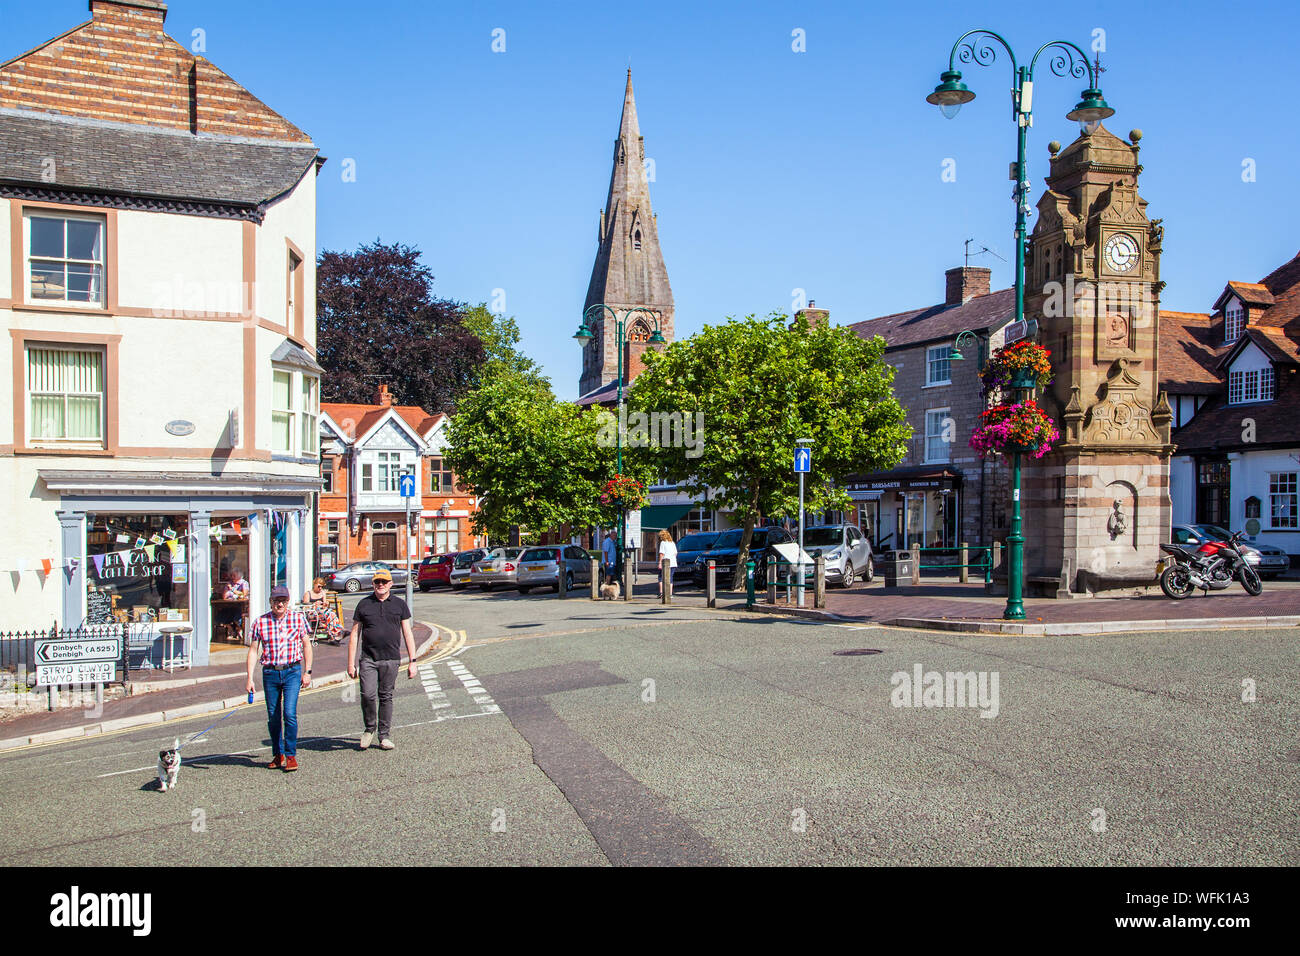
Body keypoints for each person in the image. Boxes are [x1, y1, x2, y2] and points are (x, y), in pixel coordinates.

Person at [346, 568, 417, 751]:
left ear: (390, 584)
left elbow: (407, 633)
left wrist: (413, 661)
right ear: (373, 584)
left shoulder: (399, 605)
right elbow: (354, 634)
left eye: (384, 582)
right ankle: (369, 728)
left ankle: (384, 736)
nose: (380, 585)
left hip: (391, 659)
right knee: (368, 695)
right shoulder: (364, 604)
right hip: (368, 658)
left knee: (386, 697)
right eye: (377, 582)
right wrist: (350, 663)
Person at [245, 585, 313, 772]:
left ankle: (291, 755)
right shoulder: (260, 622)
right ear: (270, 602)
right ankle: (278, 754)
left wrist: (307, 672)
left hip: (292, 671)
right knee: (273, 717)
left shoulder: (298, 619)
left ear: (288, 601)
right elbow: (253, 651)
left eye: (283, 600)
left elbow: (306, 645)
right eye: (276, 600)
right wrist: (250, 678)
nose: (280, 604)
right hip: (270, 673)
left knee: (289, 714)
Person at [302, 576, 343, 642]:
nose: (320, 588)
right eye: (319, 586)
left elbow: (325, 605)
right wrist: (315, 604)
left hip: (322, 612)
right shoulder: (308, 593)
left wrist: (325, 603)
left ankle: (334, 634)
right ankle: (336, 633)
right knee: (330, 615)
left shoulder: (322, 593)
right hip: (312, 613)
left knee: (331, 614)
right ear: (314, 584)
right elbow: (305, 607)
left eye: (322, 587)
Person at [657, 529, 677, 596]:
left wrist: (660, 563)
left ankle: (661, 592)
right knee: (670, 578)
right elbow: (675, 553)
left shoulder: (663, 543)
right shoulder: (672, 543)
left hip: (665, 563)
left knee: (660, 577)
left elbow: (661, 554)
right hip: (673, 563)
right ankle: (670, 593)